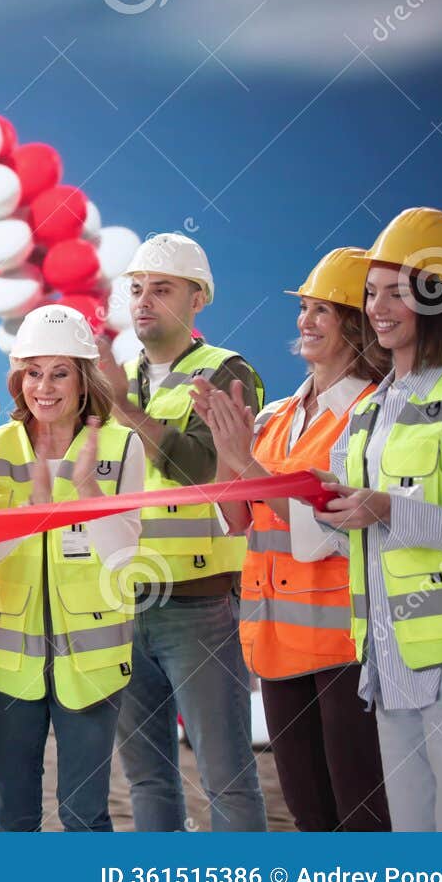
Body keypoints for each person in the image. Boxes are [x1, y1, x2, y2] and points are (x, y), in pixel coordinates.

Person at [193, 247, 391, 832]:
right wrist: (228, 458)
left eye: (322, 310)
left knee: (361, 815)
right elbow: (238, 521)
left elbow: (327, 527)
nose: (305, 320)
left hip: (346, 649)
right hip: (277, 641)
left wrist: (244, 462)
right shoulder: (276, 416)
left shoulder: (374, 413)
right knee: (308, 814)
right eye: (303, 307)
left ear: (357, 322)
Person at [311, 207, 442, 832]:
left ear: (438, 296)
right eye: (370, 294)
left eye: (396, 293)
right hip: (385, 657)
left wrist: (388, 508)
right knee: (412, 831)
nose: (377, 308)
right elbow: (345, 532)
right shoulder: (369, 411)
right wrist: (330, 504)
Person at [96, 232, 269, 832]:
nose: (142, 301)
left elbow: (202, 469)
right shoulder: (117, 379)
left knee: (226, 777)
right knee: (147, 777)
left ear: (198, 298)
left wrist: (126, 411)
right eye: (137, 289)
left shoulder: (227, 372)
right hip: (125, 607)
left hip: (199, 608)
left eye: (160, 289)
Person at [0, 304, 143, 832]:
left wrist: (87, 490)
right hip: (5, 663)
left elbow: (124, 559)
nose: (44, 387)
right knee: (14, 814)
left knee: (84, 814)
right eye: (33, 372)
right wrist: (31, 514)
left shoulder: (120, 445)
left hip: (91, 664)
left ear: (84, 379)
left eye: (60, 372)